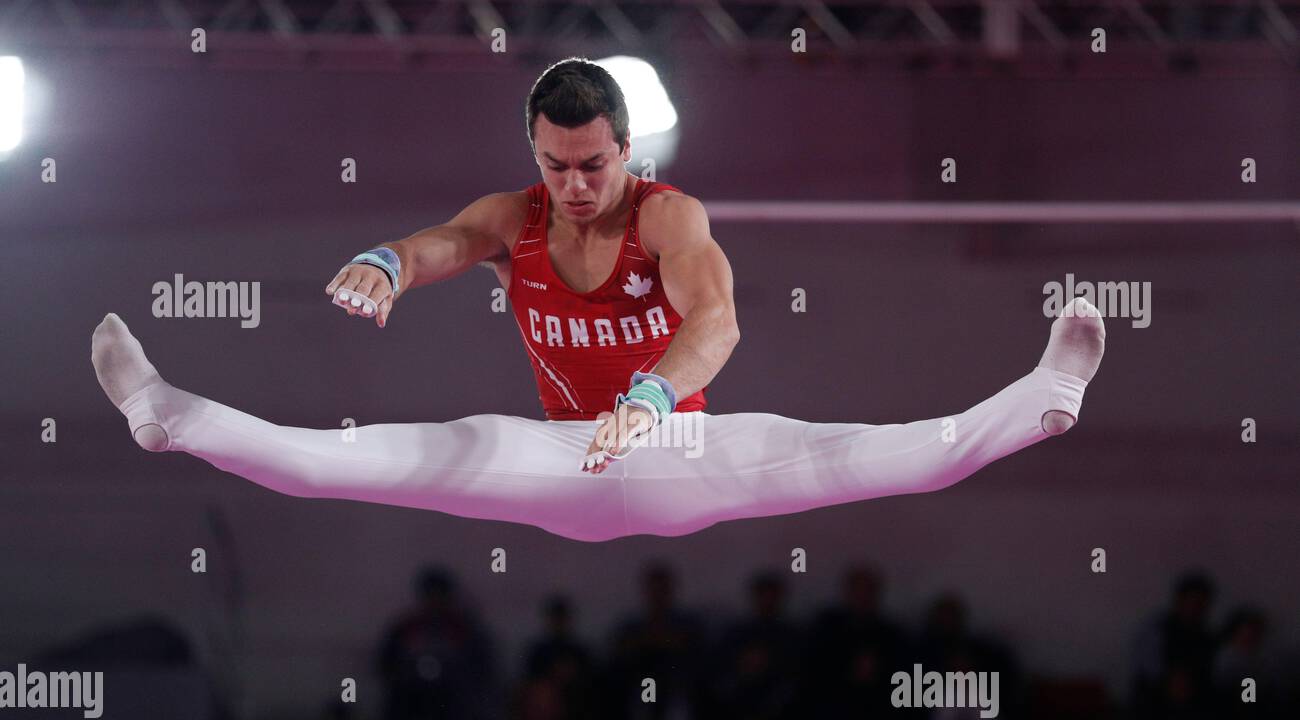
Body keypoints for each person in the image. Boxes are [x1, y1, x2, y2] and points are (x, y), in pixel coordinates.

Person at [91, 58, 1104, 543]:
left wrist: (653, 398)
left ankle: (1044, 395)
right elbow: (447, 241)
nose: (573, 184)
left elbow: (717, 322)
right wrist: (390, 262)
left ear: (627, 148)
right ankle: (164, 411)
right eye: (554, 162)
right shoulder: (514, 213)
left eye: (591, 163)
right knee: (342, 462)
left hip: (684, 450)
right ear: (534, 151)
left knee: (893, 454)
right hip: (560, 460)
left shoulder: (668, 217)